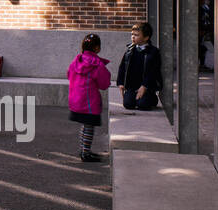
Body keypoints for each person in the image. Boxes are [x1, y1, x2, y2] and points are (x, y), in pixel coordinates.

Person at [68, 34, 112, 163]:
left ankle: (83, 150)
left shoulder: (76, 61)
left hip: (76, 99)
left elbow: (69, 74)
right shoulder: (97, 64)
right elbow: (104, 83)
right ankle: (85, 153)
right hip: (89, 101)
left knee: (85, 126)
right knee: (89, 127)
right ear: (97, 48)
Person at [117, 22, 163, 111]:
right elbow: (122, 67)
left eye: (136, 35)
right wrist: (121, 83)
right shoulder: (130, 51)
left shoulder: (153, 52)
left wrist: (144, 86)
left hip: (147, 86)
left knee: (143, 105)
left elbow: (153, 72)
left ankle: (152, 97)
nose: (133, 37)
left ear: (146, 37)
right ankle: (135, 96)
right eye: (132, 34)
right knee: (128, 104)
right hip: (132, 85)